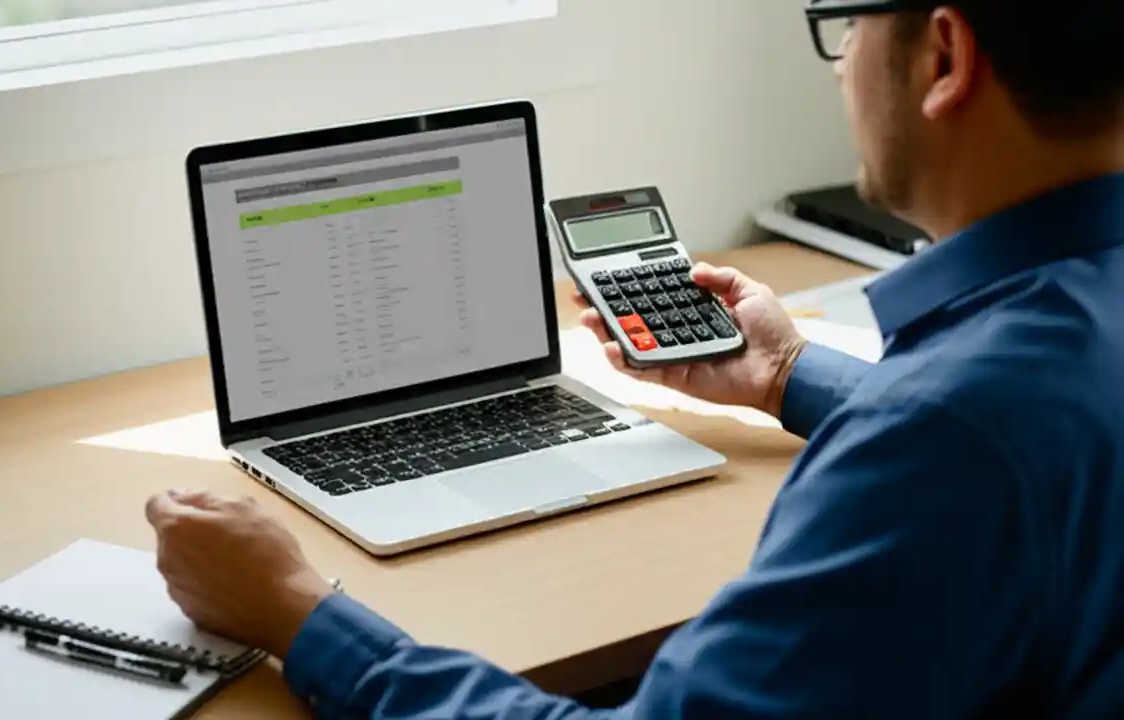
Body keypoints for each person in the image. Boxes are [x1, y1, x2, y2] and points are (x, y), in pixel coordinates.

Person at [145, 0, 1124, 716]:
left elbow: (962, 438)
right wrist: (787, 375)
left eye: (845, 24)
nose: (837, 66)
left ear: (942, 56)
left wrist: (296, 610)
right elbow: (1034, 428)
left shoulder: (937, 439)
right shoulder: (1021, 370)